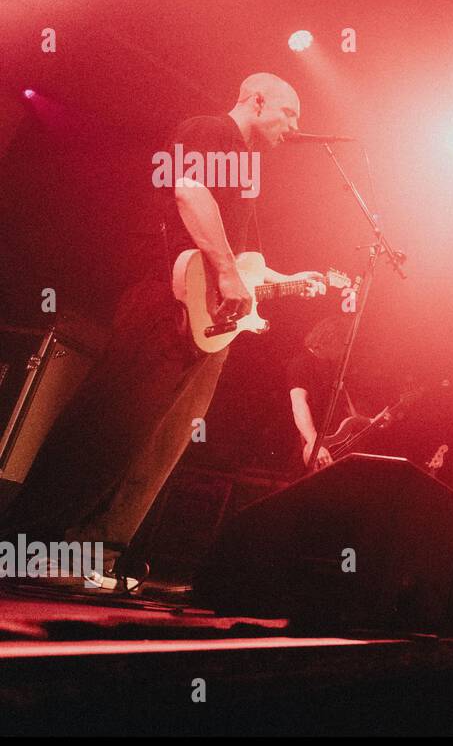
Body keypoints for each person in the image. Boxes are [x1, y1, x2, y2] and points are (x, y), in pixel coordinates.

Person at [0, 74, 324, 578]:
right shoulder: (210, 130)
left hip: (200, 319)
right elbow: (189, 192)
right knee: (107, 425)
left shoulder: (247, 171)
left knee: (145, 444)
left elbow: (247, 263)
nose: (295, 127)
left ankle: (84, 555)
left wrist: (292, 280)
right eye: (289, 113)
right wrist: (225, 274)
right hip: (163, 300)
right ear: (256, 101)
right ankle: (24, 546)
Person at [286, 314, 361, 470]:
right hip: (309, 448)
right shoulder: (302, 363)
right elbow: (299, 404)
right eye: (343, 344)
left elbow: (348, 413)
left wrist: (371, 422)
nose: (344, 351)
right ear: (331, 339)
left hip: (333, 447)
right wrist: (314, 443)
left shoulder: (334, 367)